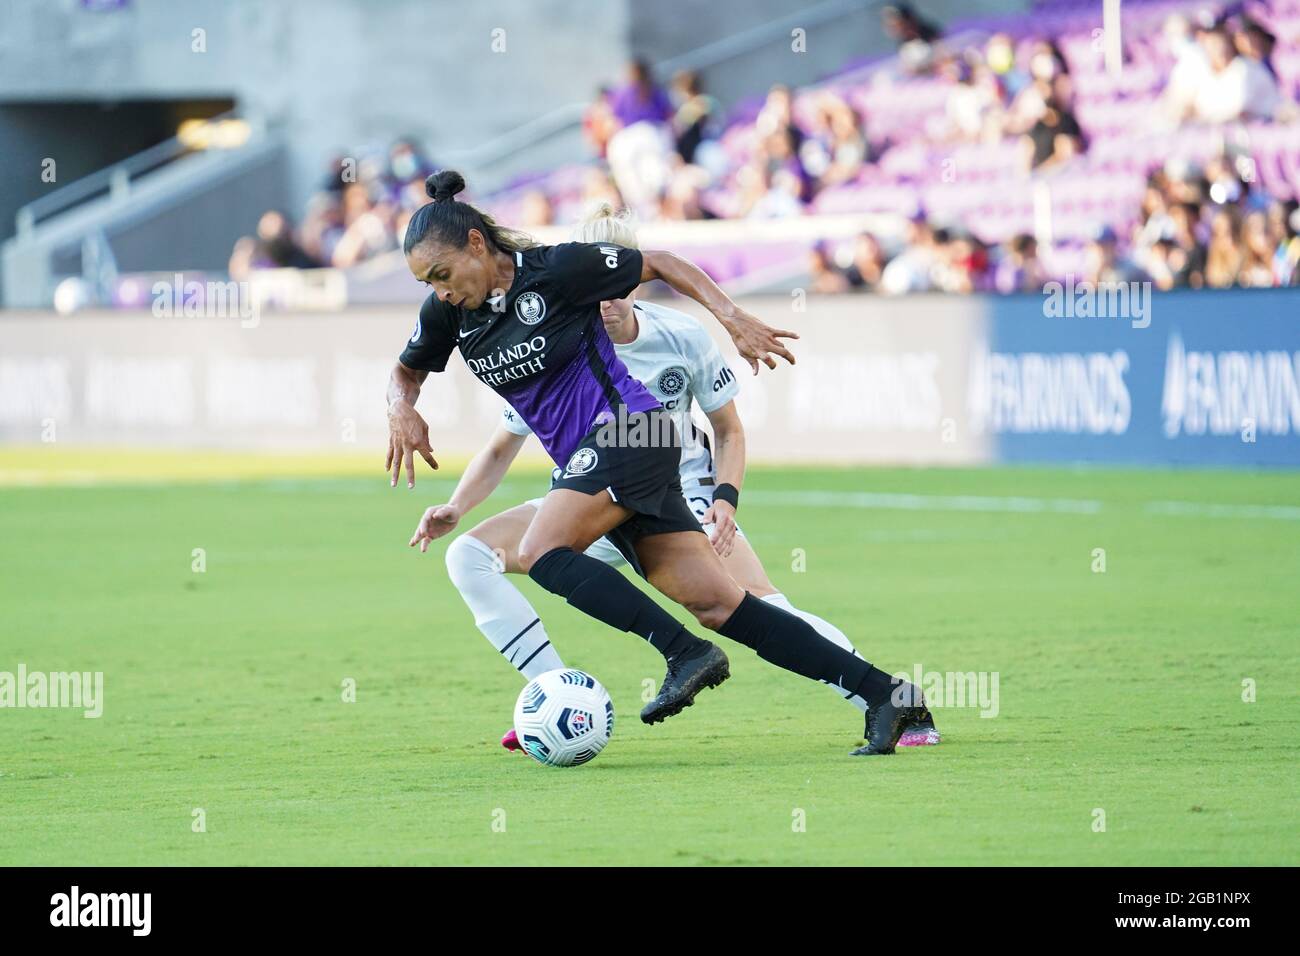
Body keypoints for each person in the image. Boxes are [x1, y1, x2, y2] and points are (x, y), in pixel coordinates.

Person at [389, 170, 927, 756]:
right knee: (722, 605)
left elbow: (663, 262)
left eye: (441, 275)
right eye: (425, 281)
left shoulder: (557, 270)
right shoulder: (448, 314)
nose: (437, 290)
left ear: (475, 244)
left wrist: (732, 317)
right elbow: (406, 370)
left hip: (634, 430)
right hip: (597, 464)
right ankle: (887, 696)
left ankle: (684, 653)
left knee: (540, 550)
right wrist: (401, 407)